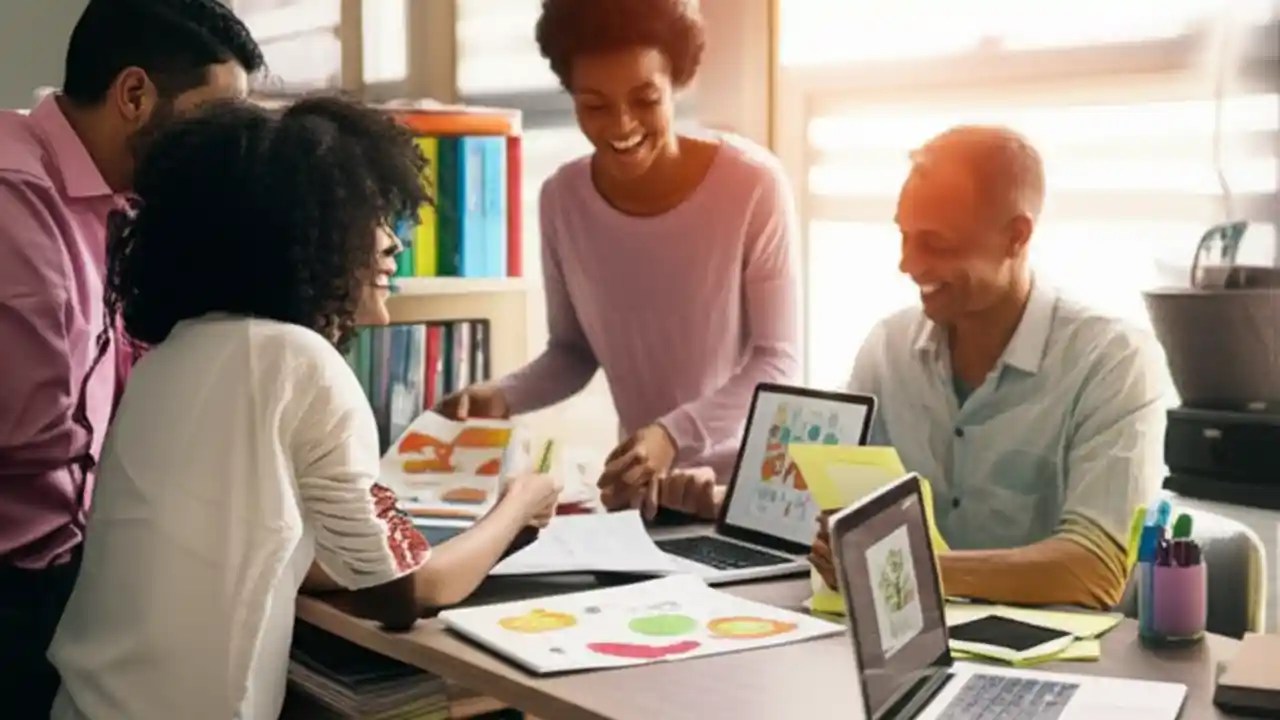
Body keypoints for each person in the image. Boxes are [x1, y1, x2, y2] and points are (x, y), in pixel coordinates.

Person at [44, 97, 561, 720]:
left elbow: (238, 542)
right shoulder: (301, 362)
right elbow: (403, 594)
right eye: (371, 216)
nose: (392, 242)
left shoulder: (171, 357)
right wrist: (517, 506)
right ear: (300, 230)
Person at [437, 0, 801, 521]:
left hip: (749, 495)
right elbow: (572, 351)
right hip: (643, 498)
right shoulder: (563, 199)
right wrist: (500, 397)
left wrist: (673, 434)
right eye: (595, 105)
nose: (621, 125)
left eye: (645, 98)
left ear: (677, 81)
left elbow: (778, 362)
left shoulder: (751, 185)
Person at [0, 1, 264, 715]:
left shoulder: (117, 200)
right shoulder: (13, 192)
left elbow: (125, 368)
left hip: (68, 563)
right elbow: (29, 430)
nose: (220, 146)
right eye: (211, 119)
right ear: (135, 95)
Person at [809, 126, 1169, 610]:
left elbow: (1096, 569)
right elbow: (853, 518)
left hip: (1059, 663)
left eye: (935, 243)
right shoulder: (886, 348)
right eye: (904, 236)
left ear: (1016, 237)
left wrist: (904, 567)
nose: (907, 264)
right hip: (907, 643)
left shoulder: (1114, 360)